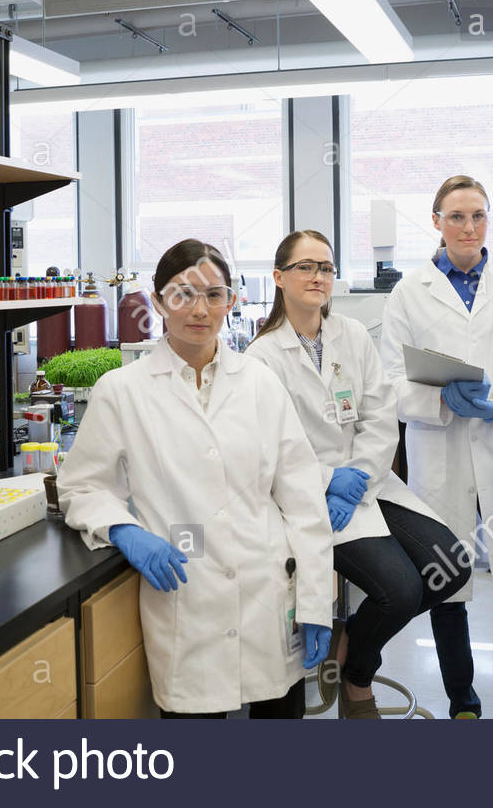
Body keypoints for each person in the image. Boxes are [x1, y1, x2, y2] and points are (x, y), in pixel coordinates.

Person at [58, 238, 334, 718]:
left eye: (214, 294)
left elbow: (304, 500)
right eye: (183, 294)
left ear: (231, 301)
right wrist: (124, 531)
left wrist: (315, 604)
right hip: (188, 595)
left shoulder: (260, 383)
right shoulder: (122, 391)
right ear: (159, 301)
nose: (199, 309)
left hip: (267, 592)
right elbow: (82, 486)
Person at [247, 230, 469, 719]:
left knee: (453, 567)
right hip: (310, 496)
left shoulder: (350, 334)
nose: (318, 277)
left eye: (325, 267)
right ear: (279, 277)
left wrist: (359, 475)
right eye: (305, 267)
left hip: (366, 482)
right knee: (401, 591)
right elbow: (270, 444)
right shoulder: (261, 358)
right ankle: (358, 679)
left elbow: (379, 413)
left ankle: (352, 654)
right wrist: (328, 478)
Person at [380, 175, 493, 719]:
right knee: (445, 580)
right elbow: (389, 385)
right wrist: (442, 404)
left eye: (477, 215)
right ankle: (462, 701)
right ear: (436, 222)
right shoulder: (410, 292)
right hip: (440, 451)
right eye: (456, 216)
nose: (468, 226)